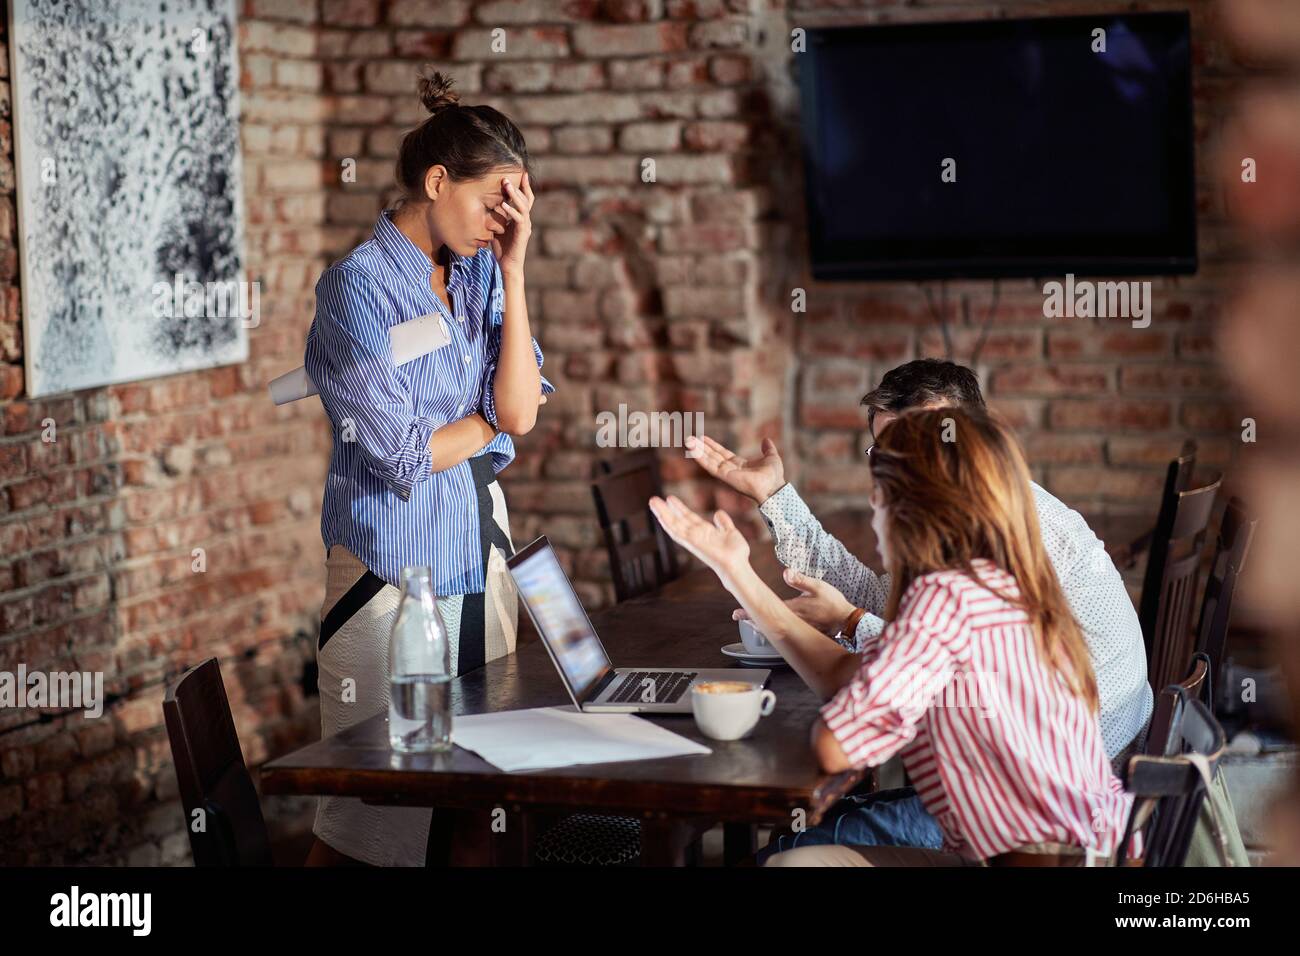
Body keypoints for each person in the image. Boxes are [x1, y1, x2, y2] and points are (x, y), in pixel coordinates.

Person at [685, 359, 1152, 857]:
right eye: (890, 454)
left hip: (1052, 792)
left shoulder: (993, 550)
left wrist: (848, 622)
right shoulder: (984, 524)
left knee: (789, 845)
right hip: (1063, 801)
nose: (906, 470)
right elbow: (887, 611)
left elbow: (894, 668)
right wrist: (775, 498)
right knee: (809, 826)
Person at [302, 70, 552, 866]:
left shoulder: (485, 273)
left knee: (479, 806)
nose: (499, 223)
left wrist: (514, 270)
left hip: (480, 561)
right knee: (373, 823)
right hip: (388, 577)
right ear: (437, 182)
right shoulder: (356, 290)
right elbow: (402, 451)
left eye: (516, 209)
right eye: (492, 203)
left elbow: (523, 407)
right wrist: (486, 421)